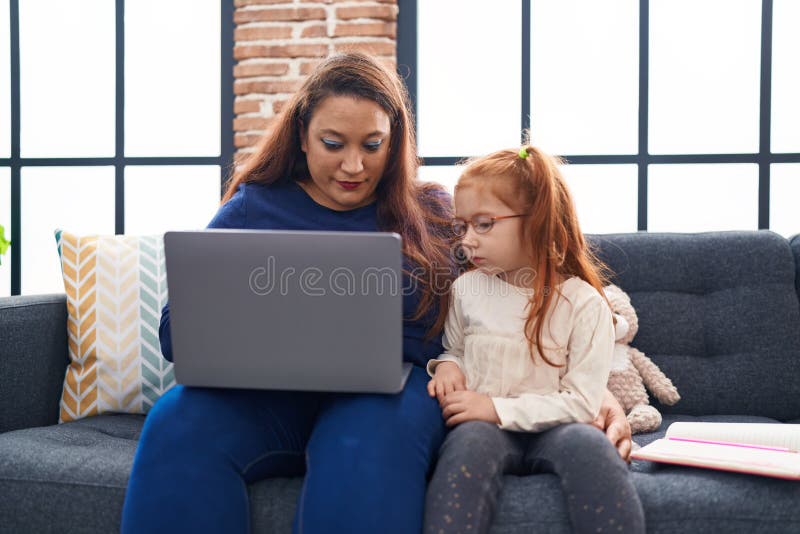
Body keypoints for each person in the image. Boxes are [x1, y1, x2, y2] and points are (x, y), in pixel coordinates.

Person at [120, 53, 633, 533]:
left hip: (391, 394)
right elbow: (176, 331)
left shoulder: (433, 212)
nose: (353, 166)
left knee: (363, 447)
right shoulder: (253, 208)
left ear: (394, 141)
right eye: (333, 144)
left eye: (372, 145)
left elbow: (526, 288)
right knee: (177, 422)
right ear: (303, 137)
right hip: (261, 397)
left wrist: (593, 384)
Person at [424, 145, 645, 533]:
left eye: (484, 224)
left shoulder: (582, 304)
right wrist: (447, 366)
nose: (467, 241)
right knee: (466, 446)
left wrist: (496, 409)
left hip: (558, 427)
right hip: (484, 429)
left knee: (591, 449)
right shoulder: (466, 289)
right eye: (462, 227)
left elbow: (582, 403)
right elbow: (454, 348)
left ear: (537, 222)